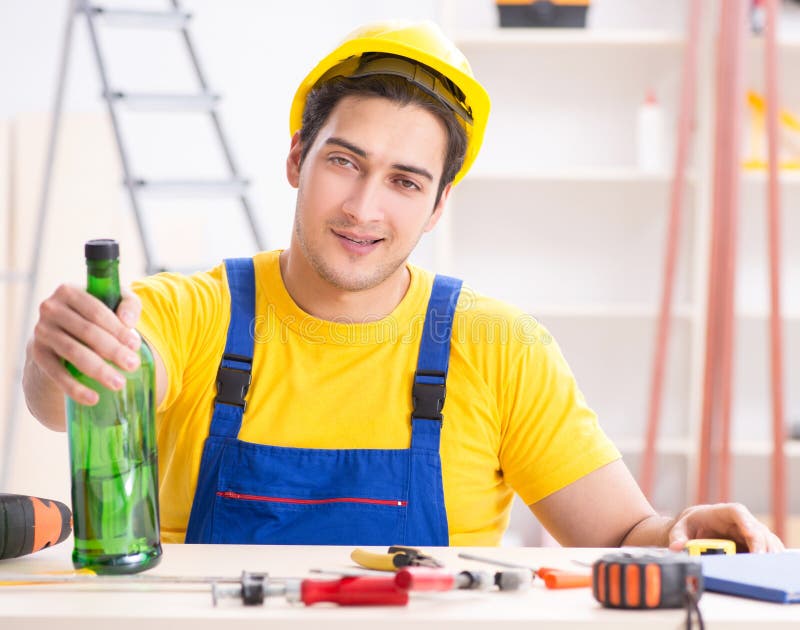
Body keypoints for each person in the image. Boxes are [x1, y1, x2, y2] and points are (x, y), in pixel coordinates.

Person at [24, 20, 782, 550]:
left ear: (437, 205)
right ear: (297, 158)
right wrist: (67, 357)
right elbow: (71, 396)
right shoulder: (192, 313)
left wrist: (682, 532)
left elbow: (619, 534)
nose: (363, 208)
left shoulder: (498, 348)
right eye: (343, 162)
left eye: (405, 181)